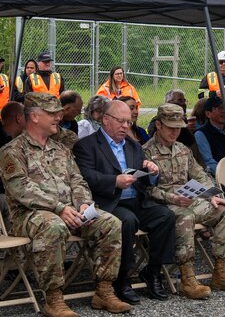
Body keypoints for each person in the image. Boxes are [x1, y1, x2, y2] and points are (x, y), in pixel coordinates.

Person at [0, 92, 130, 317]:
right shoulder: (12, 151)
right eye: (52, 114)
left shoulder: (61, 150)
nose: (59, 118)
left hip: (69, 211)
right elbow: (22, 190)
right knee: (54, 227)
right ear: (34, 117)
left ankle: (104, 290)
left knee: (110, 223)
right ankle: (54, 298)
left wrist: (84, 203)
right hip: (30, 215)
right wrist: (58, 208)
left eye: (58, 113)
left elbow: (77, 180)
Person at [73, 100, 175, 303]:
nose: (125, 126)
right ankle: (122, 278)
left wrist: (152, 172)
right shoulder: (87, 145)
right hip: (109, 202)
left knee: (166, 216)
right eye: (120, 121)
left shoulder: (133, 145)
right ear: (105, 119)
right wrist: (114, 181)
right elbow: (85, 176)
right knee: (127, 221)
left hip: (137, 200)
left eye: (128, 122)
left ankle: (153, 272)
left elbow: (143, 180)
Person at [142, 104, 225, 297]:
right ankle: (187, 278)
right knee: (185, 217)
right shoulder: (146, 152)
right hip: (163, 204)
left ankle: (221, 272)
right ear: (158, 125)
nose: (175, 132)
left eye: (178, 128)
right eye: (171, 127)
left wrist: (213, 195)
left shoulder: (183, 149)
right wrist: (172, 197)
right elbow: (146, 189)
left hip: (189, 199)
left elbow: (199, 175)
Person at [195, 96, 225, 175]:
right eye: (219, 108)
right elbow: (209, 162)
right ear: (208, 114)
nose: (224, 111)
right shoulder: (201, 134)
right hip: (218, 177)